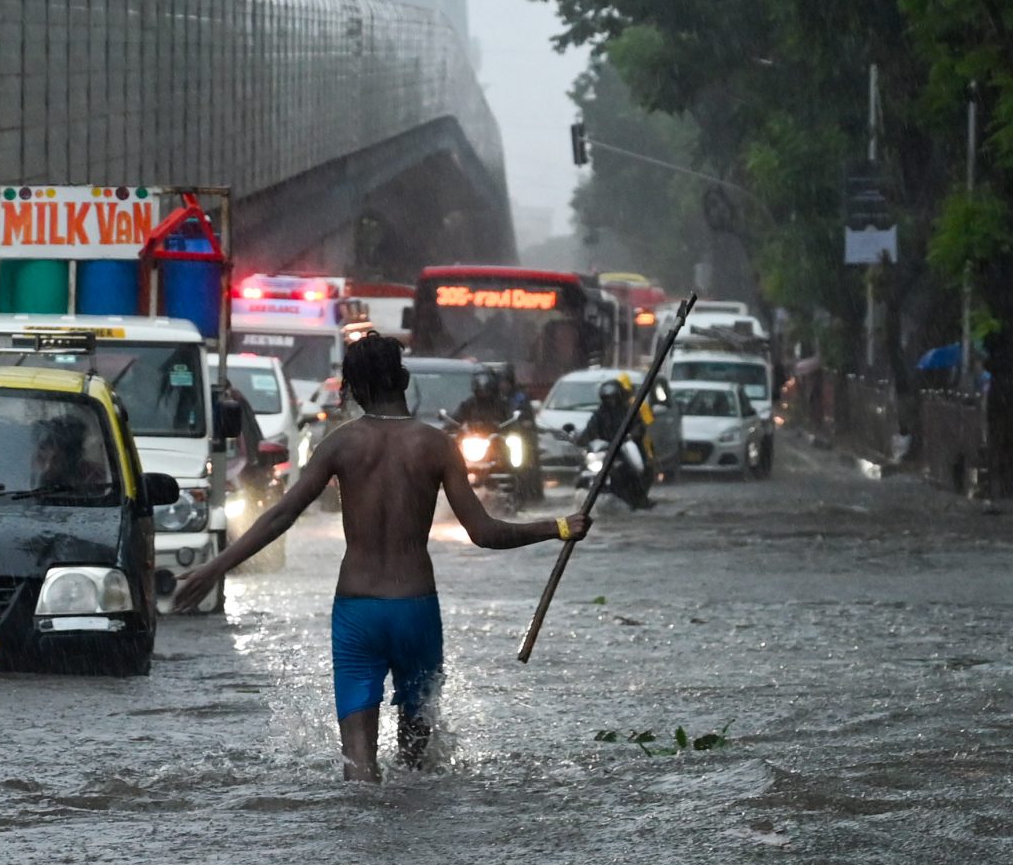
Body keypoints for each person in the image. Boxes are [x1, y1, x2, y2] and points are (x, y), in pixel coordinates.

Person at [171, 334, 588, 782]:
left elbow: (280, 517)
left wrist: (215, 567)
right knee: (416, 762)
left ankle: (357, 847)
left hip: (357, 612)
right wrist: (559, 527)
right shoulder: (437, 445)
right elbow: (485, 533)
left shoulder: (339, 445)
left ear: (351, 388)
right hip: (416, 610)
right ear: (404, 380)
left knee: (358, 764)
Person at [577, 378, 654, 510]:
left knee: (636, 468)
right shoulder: (599, 414)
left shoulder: (629, 412)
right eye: (607, 398)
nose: (610, 401)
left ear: (619, 397)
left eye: (612, 398)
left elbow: (639, 426)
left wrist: (631, 435)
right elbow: (589, 429)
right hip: (603, 450)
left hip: (623, 449)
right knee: (583, 467)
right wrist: (580, 439)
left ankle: (639, 499)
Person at [454, 365, 517, 429]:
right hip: (473, 437)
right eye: (479, 383)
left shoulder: (502, 405)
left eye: (486, 385)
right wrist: (457, 427)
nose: (483, 387)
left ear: (492, 384)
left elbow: (512, 422)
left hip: (497, 437)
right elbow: (455, 420)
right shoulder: (468, 404)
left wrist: (512, 426)